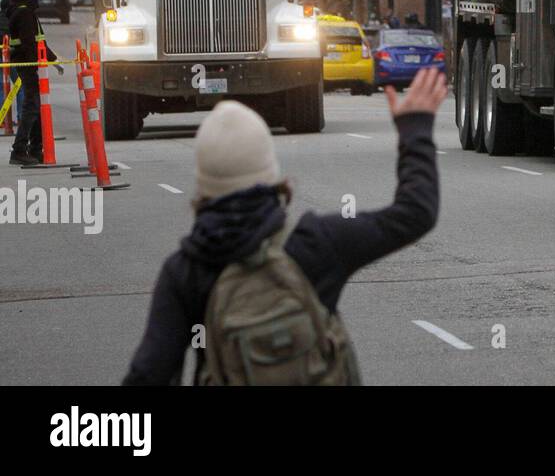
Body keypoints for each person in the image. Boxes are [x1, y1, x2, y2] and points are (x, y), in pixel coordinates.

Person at [123, 66, 446, 385]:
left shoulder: (186, 270)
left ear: (203, 186)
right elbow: (415, 213)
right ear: (272, 174)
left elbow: (149, 373)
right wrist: (414, 129)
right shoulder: (315, 243)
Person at [6, 0, 58, 166]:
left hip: (28, 64)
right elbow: (30, 43)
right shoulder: (23, 12)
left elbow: (39, 40)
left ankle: (35, 150)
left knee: (36, 106)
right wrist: (37, 63)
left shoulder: (24, 10)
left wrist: (52, 59)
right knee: (31, 106)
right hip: (27, 65)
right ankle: (19, 150)